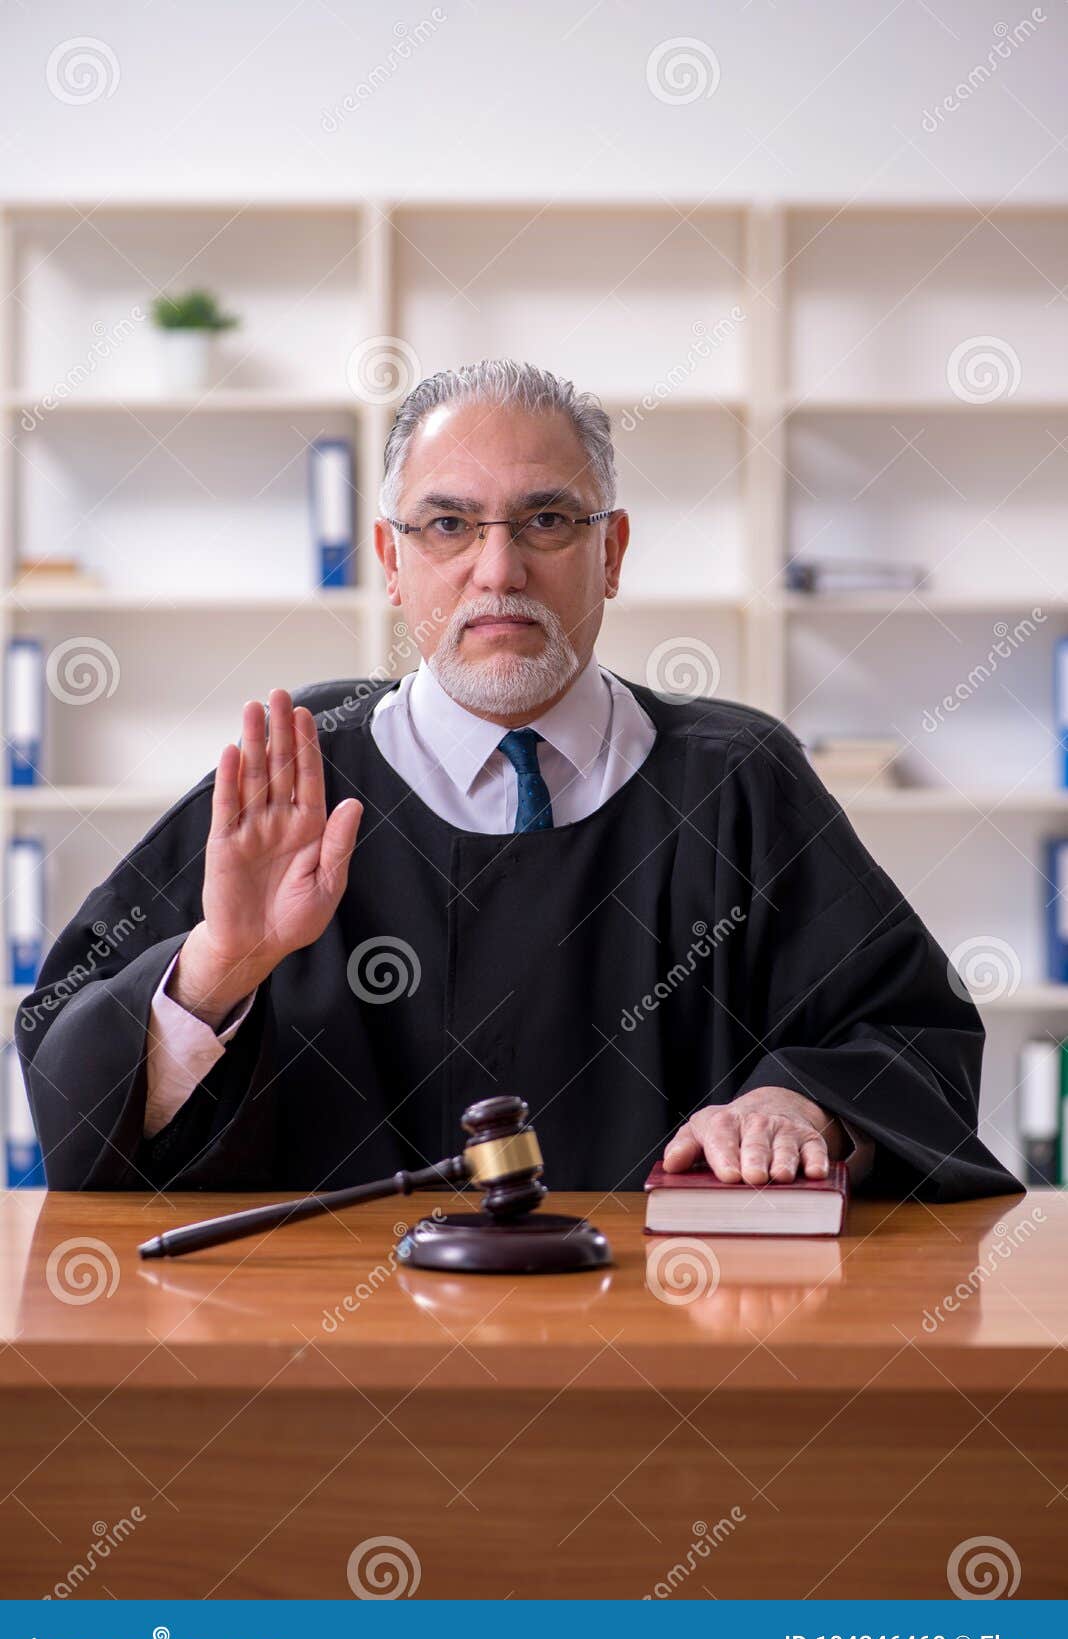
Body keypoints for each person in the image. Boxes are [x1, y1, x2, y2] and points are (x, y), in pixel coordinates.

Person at [16, 359, 1022, 1201]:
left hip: (678, 1368)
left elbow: (910, 1035)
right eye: (448, 526)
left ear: (611, 551)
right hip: (333, 1371)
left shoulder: (735, 781)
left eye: (545, 521)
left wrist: (802, 1100)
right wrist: (218, 967)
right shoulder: (297, 774)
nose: (498, 572)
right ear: (390, 560)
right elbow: (71, 1095)